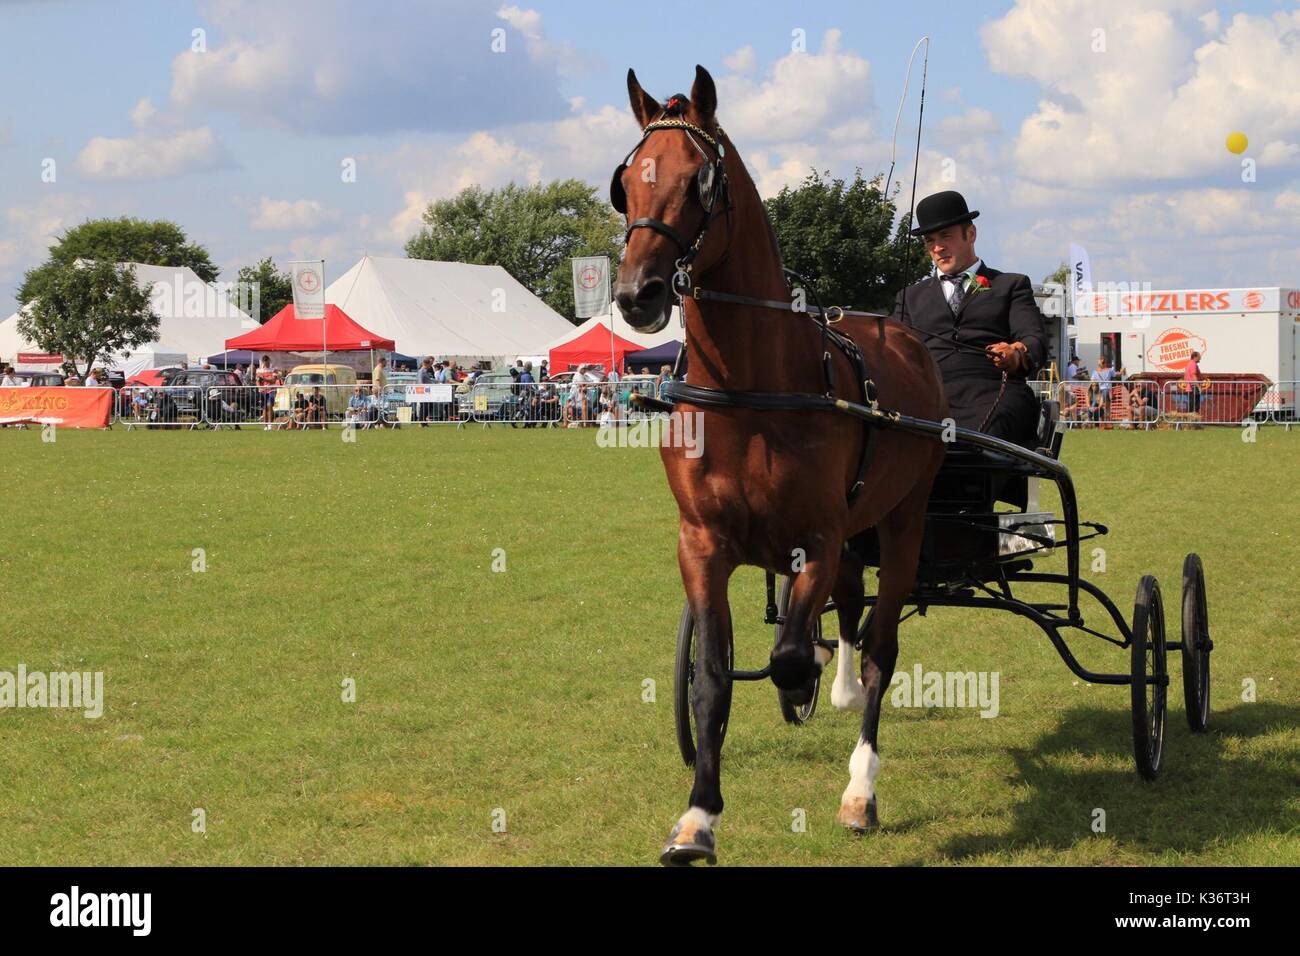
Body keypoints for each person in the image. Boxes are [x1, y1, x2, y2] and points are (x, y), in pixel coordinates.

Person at [889, 190, 1048, 448]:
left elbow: (1034, 338)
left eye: (946, 237)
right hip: (929, 394)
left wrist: (1016, 352)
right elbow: (894, 350)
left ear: (971, 234)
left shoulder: (1010, 285)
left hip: (993, 389)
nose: (938, 247)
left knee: (991, 425)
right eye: (930, 240)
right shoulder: (910, 297)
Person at [256, 356, 278, 429]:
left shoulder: (274, 369)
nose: (266, 363)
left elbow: (273, 380)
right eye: (265, 361)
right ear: (263, 362)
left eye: (267, 361)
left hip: (272, 390)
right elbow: (257, 381)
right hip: (263, 391)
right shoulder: (258, 370)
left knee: (269, 405)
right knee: (264, 408)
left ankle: (269, 424)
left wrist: (264, 378)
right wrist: (259, 387)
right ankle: (265, 425)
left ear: (269, 360)